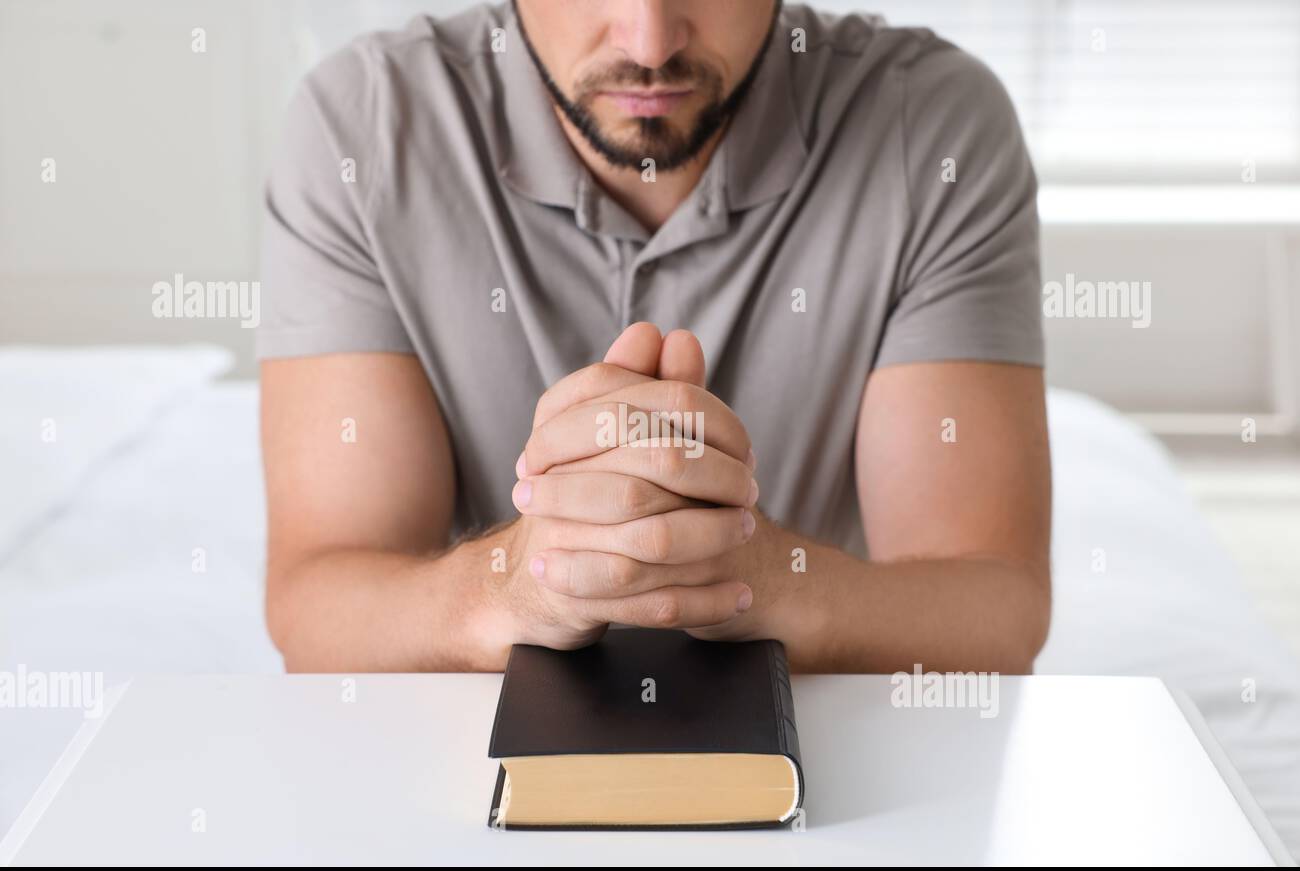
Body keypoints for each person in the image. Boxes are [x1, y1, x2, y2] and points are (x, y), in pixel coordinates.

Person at [257, 1, 1051, 673]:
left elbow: (997, 605)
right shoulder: (359, 129)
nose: (649, 43)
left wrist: (757, 575)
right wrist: (522, 580)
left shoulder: (935, 128)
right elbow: (317, 601)